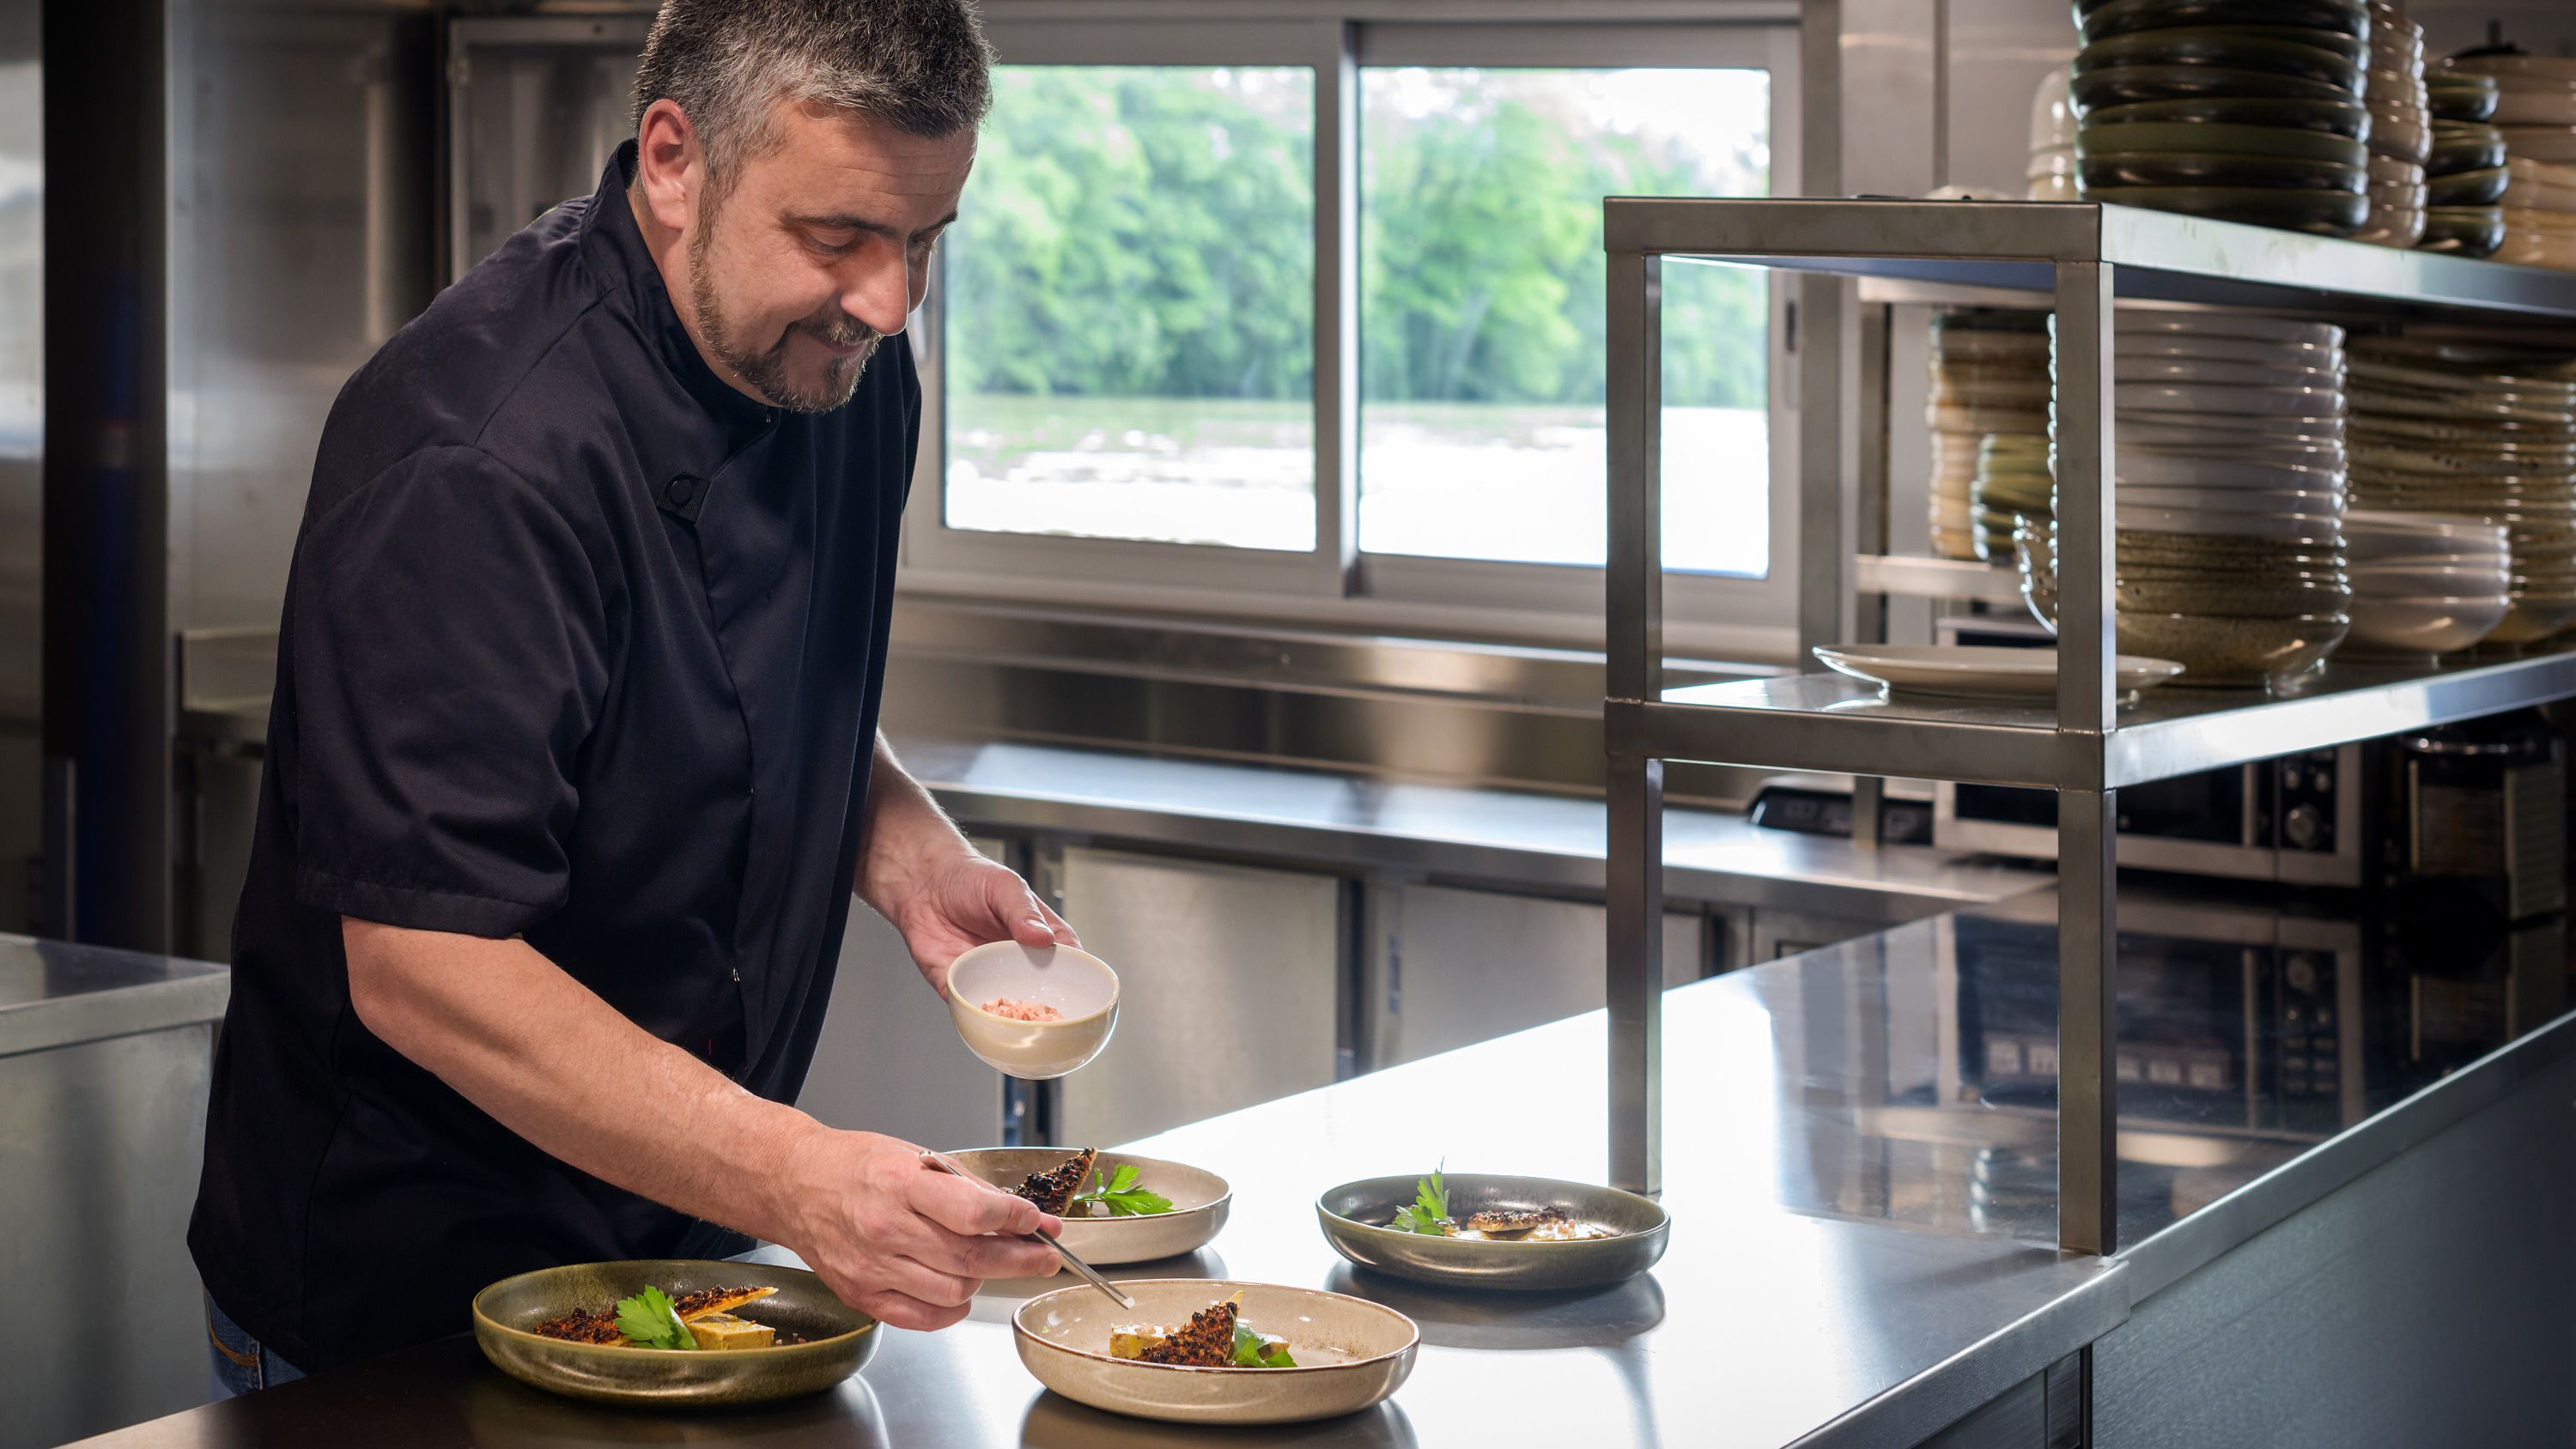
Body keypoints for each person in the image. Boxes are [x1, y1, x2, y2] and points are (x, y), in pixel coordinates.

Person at [188, 0, 1067, 1394]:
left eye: (925, 241)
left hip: (693, 1249)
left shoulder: (842, 364)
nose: (890, 303)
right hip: (406, 1302)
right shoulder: (479, 459)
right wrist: (796, 1176)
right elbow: (425, 963)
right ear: (674, 159)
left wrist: (902, 850)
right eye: (837, 236)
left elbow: (726, 679)